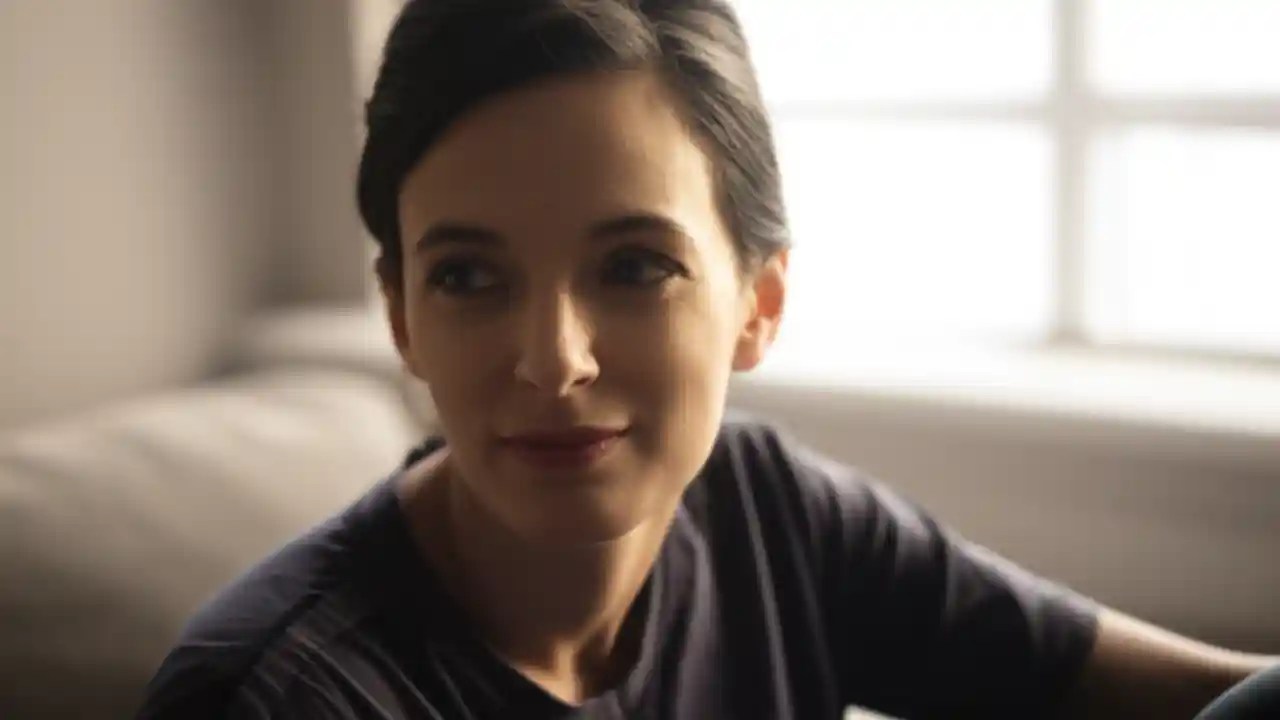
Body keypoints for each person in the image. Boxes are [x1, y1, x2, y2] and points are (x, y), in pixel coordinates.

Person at [136, 1, 1278, 717]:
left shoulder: (768, 515)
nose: (553, 360)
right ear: (399, 313)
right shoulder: (283, 696)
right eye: (470, 277)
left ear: (757, 302)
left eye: (633, 266)